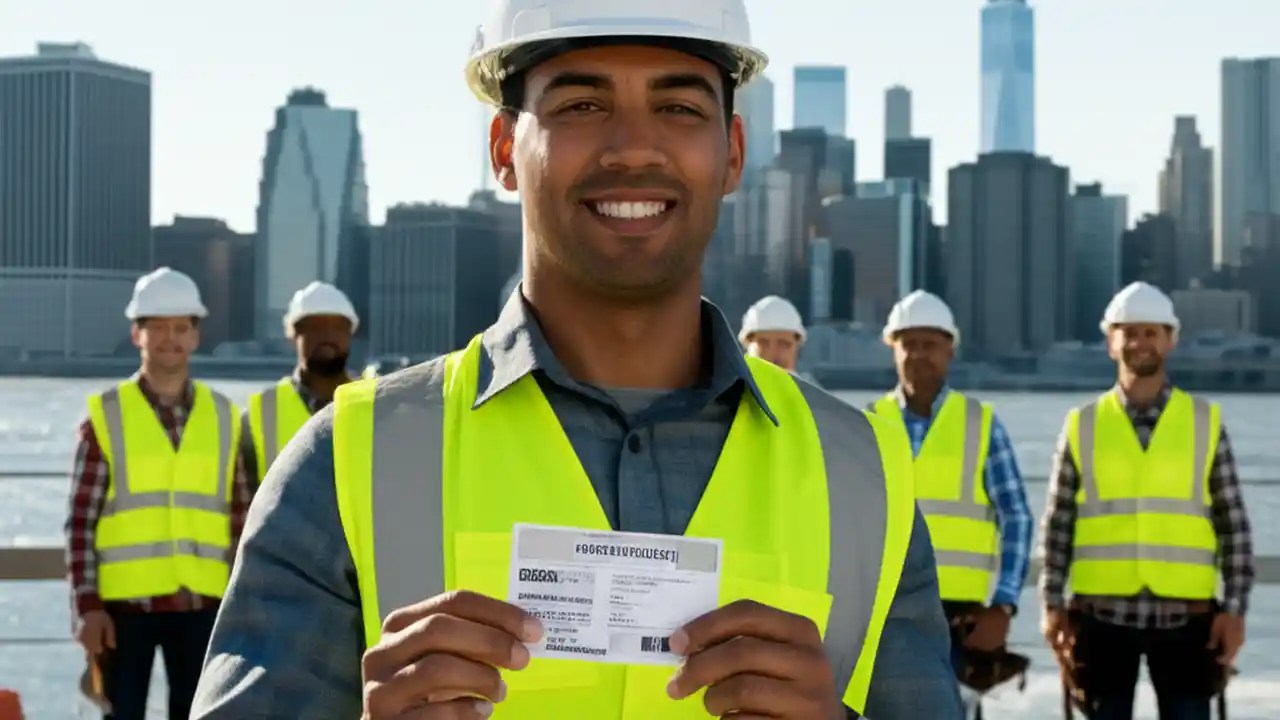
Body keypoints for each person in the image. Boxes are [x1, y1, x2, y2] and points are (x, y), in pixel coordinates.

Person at [192, 2, 962, 718]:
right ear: (503, 149)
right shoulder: (347, 463)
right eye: (580, 105)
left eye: (680, 106)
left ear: (731, 154)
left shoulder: (864, 479)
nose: (633, 145)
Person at [1039, 282, 1254, 720]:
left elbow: (1233, 527)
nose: (1140, 343)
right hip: (1102, 620)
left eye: (1151, 333)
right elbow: (1058, 523)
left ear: (1170, 340)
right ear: (1111, 343)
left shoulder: (1204, 422)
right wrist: (1051, 604)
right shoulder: (1081, 424)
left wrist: (1234, 612)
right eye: (1129, 332)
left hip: (1188, 622)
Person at [65, 267, 250, 720]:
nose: (171, 338)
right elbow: (80, 523)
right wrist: (87, 607)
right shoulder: (105, 417)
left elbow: (243, 522)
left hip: (203, 609)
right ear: (137, 335)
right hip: (123, 614)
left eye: (181, 328)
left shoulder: (225, 417)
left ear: (195, 337)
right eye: (159, 327)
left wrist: (242, 606)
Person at [869, 290, 1034, 704]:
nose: (919, 354)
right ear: (893, 349)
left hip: (965, 620)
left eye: (931, 344)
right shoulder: (870, 423)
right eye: (909, 344)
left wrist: (1005, 606)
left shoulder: (982, 424)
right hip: (888, 613)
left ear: (950, 351)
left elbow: (1017, 518)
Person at [242, 281, 358, 490]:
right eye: (315, 328)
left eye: (337, 328)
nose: (327, 337)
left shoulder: (374, 404)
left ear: (350, 334)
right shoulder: (260, 412)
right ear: (292, 334)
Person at [740, 295, 805, 372]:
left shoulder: (807, 383)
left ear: (796, 346)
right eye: (763, 343)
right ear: (747, 344)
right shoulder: (733, 383)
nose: (773, 352)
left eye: (783, 344)